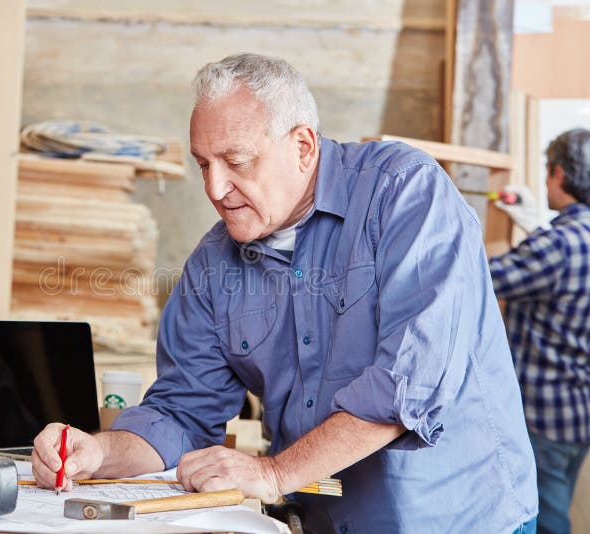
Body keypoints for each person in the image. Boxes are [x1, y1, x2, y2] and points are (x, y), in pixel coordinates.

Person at [32, 53, 538, 533]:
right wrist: (98, 452)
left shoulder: (405, 193)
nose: (214, 187)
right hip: (324, 518)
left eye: (236, 161)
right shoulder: (212, 265)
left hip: (457, 517)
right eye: (203, 164)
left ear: (303, 146)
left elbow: (406, 387)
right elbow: (181, 413)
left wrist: (272, 474)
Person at [490, 128, 590, 534]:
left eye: (548, 173)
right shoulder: (569, 241)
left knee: (545, 521)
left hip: (543, 420)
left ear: (560, 175)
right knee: (555, 506)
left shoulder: (559, 245)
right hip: (578, 414)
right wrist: (535, 228)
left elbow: (482, 279)